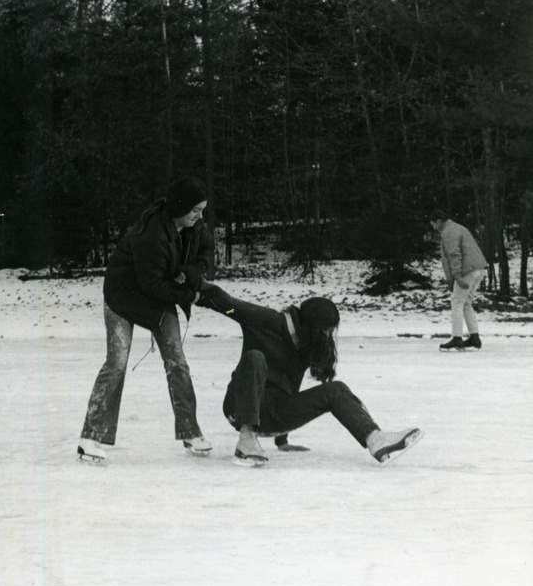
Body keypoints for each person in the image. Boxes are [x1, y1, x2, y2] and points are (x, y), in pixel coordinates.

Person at [196, 283, 423, 467]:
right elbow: (228, 305)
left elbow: (289, 388)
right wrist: (194, 288)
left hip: (274, 413)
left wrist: (282, 440)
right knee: (255, 357)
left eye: (330, 333)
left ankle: (375, 438)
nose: (328, 338)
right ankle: (246, 438)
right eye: (325, 332)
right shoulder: (267, 321)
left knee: (336, 389)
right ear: (310, 327)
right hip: (239, 407)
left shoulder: (307, 345)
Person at [77, 176, 214, 463]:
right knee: (116, 364)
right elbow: (152, 285)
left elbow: (206, 255)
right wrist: (188, 296)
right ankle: (91, 437)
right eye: (195, 210)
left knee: (177, 361)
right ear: (180, 206)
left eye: (202, 210)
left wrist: (189, 272)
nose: (200, 215)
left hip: (160, 299)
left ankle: (190, 431)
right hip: (123, 298)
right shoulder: (152, 234)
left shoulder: (194, 226)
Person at [430, 209, 487, 351]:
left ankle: (457, 338)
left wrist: (456, 275)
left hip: (467, 270)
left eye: (433, 224)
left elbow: (454, 254)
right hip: (478, 268)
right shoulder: (458, 227)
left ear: (439, 221)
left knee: (456, 302)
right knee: (466, 302)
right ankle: (474, 337)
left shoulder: (449, 231)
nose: (433, 227)